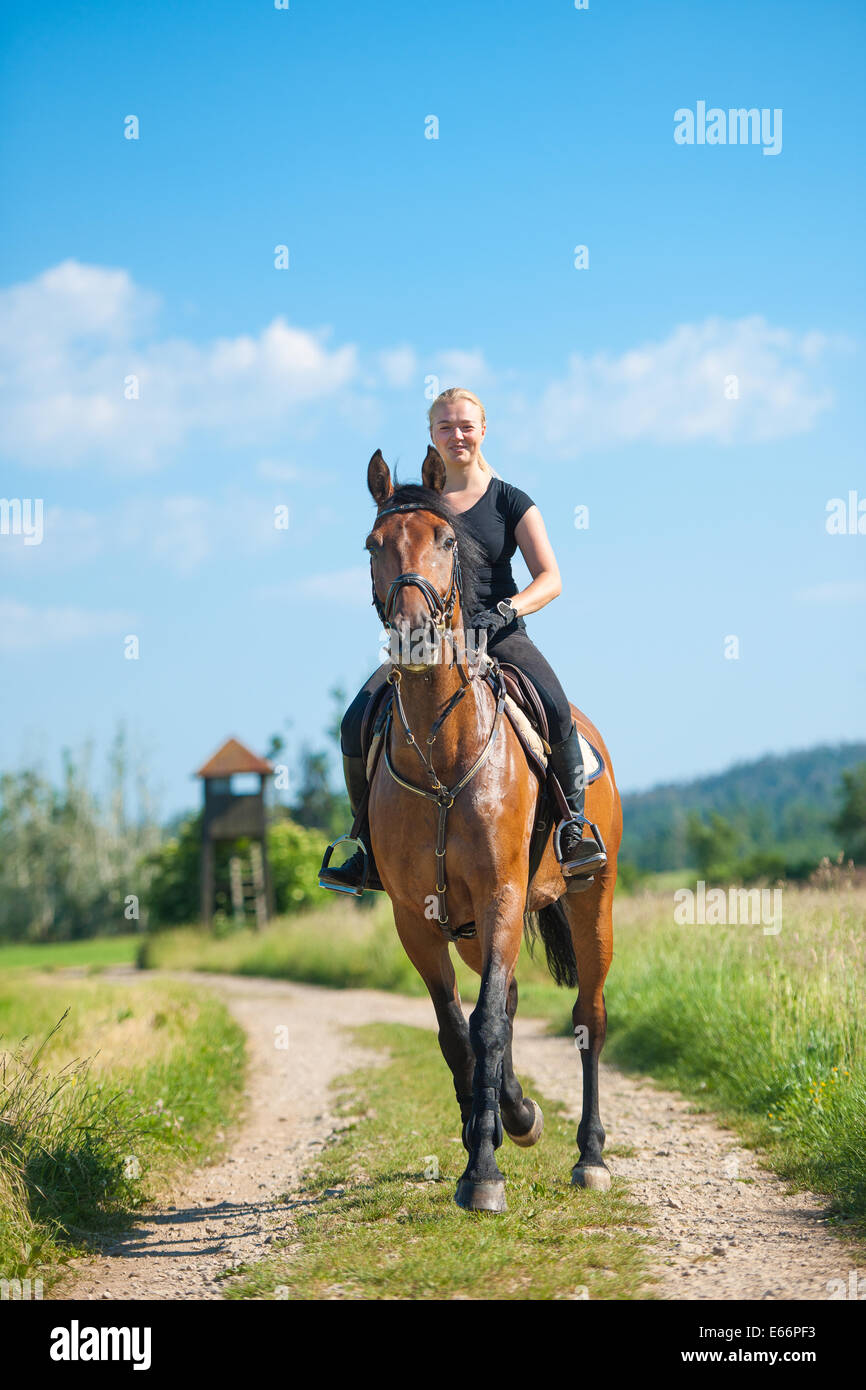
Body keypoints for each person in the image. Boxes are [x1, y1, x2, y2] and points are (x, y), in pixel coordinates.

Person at [319, 386, 607, 894]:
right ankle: (364, 848)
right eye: (445, 427)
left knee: (557, 710)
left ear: (483, 430)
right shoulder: (420, 507)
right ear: (432, 436)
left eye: (465, 425)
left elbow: (551, 578)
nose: (457, 435)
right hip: (424, 641)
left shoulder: (510, 500)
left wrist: (505, 611)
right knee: (354, 723)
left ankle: (572, 830)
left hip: (498, 634)